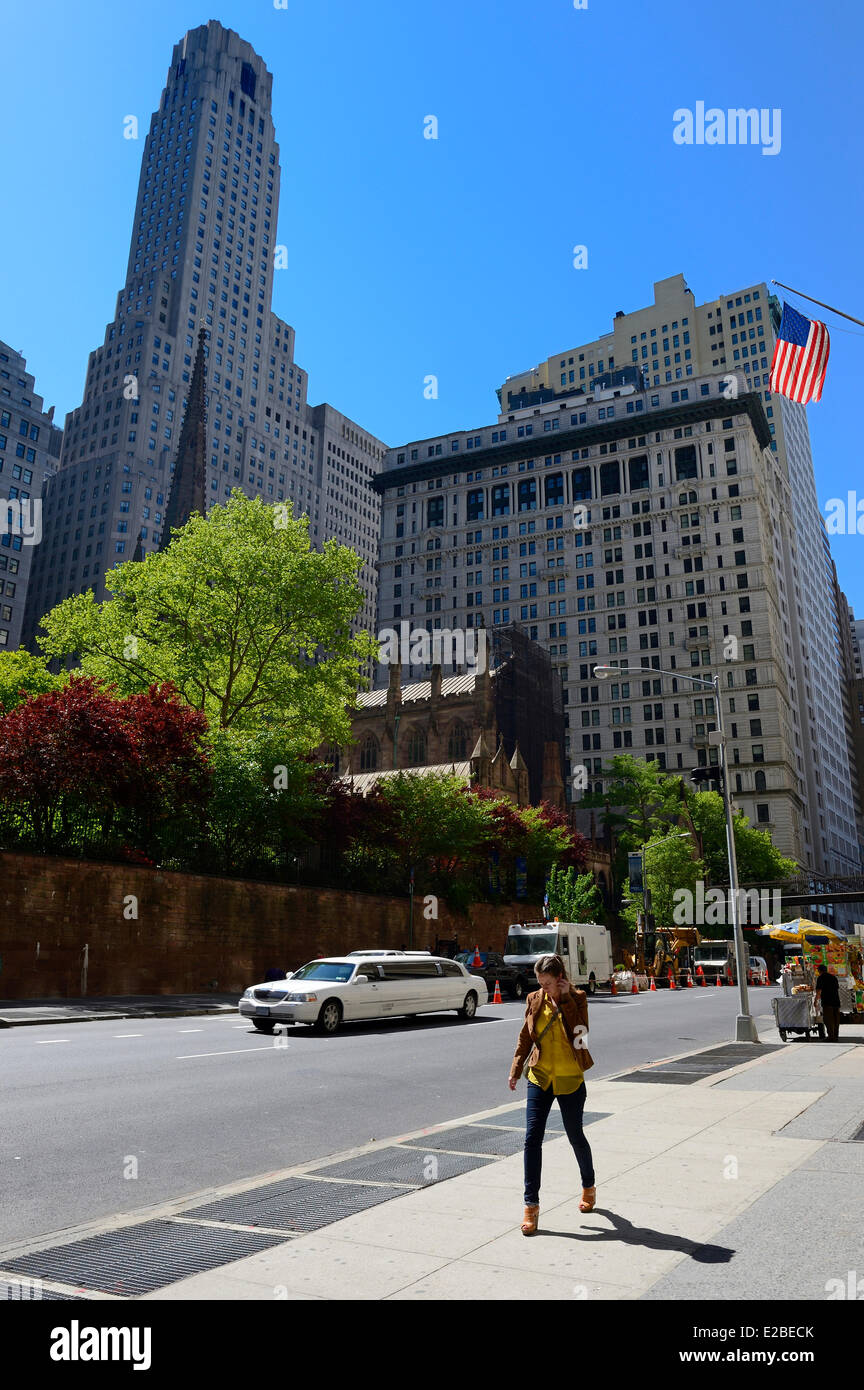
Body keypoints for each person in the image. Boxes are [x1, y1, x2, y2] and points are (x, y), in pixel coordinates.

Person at [508, 953, 596, 1236]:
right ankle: (530, 1207)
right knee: (532, 1138)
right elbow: (525, 1037)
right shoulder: (534, 1000)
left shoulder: (578, 998)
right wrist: (515, 1068)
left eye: (547, 983)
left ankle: (588, 1185)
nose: (542, 988)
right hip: (540, 1076)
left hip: (570, 1078)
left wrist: (566, 1000)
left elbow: (582, 1036)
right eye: (540, 982)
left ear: (559, 979)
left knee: (575, 1136)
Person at [814, 964, 841, 1042]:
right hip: (836, 1001)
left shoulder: (821, 978)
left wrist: (816, 1001)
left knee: (828, 1020)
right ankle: (835, 1036)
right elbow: (837, 988)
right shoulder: (833, 977)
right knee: (836, 1020)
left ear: (819, 971)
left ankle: (831, 1037)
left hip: (827, 1002)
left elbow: (819, 991)